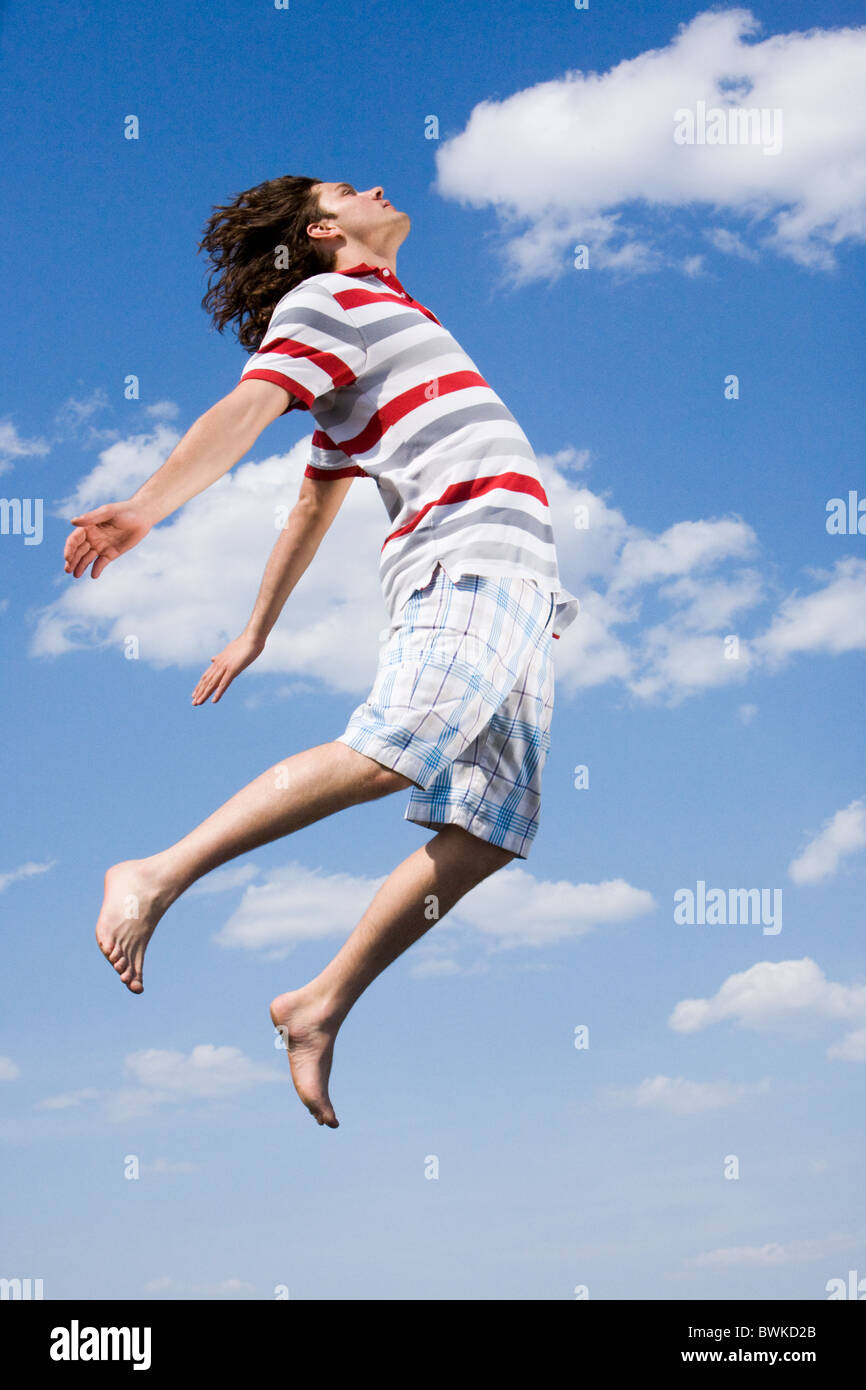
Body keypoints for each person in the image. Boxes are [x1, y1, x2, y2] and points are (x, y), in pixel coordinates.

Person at [63, 176, 580, 1128]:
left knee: (491, 829)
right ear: (321, 228)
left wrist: (255, 631)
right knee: (398, 744)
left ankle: (319, 1003)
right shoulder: (326, 301)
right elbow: (250, 406)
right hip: (462, 562)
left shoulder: (384, 317)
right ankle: (155, 873)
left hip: (520, 587)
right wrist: (144, 507)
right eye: (350, 187)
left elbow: (312, 502)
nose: (377, 185)